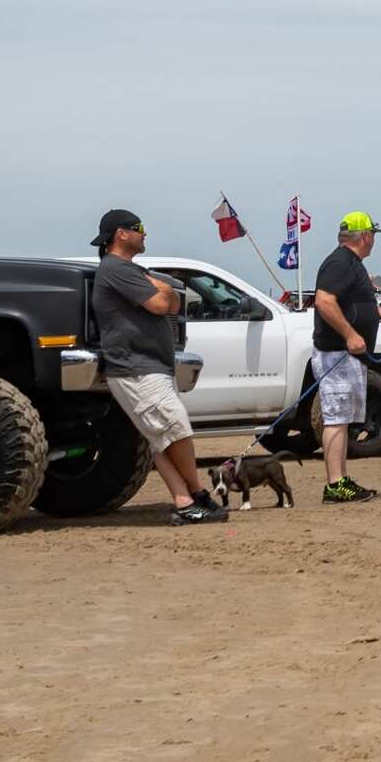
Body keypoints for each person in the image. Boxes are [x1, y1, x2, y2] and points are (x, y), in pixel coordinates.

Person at [90, 209, 227, 525]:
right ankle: (196, 492)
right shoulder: (116, 268)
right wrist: (164, 290)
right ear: (120, 234)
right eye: (138, 228)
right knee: (175, 427)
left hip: (146, 367)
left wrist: (165, 291)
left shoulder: (128, 270)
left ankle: (184, 502)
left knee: (161, 438)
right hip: (136, 369)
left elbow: (175, 300)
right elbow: (162, 303)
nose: (145, 233)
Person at [311, 212, 381, 503]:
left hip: (347, 357)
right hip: (337, 355)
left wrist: (376, 313)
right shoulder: (340, 262)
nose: (374, 241)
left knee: (342, 419)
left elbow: (350, 302)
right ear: (364, 236)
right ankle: (335, 484)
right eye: (373, 234)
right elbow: (324, 301)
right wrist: (349, 335)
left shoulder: (351, 264)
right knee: (336, 418)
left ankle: (340, 479)